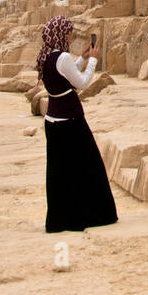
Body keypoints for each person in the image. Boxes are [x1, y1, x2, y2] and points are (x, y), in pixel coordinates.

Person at [37, 15, 117, 234]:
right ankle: (93, 214)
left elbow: (65, 75)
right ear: (62, 33)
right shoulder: (62, 57)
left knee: (60, 172)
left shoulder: (47, 55)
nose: (71, 35)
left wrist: (81, 59)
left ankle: (61, 219)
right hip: (70, 121)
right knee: (87, 166)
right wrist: (93, 60)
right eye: (69, 31)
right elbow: (81, 83)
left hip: (53, 121)